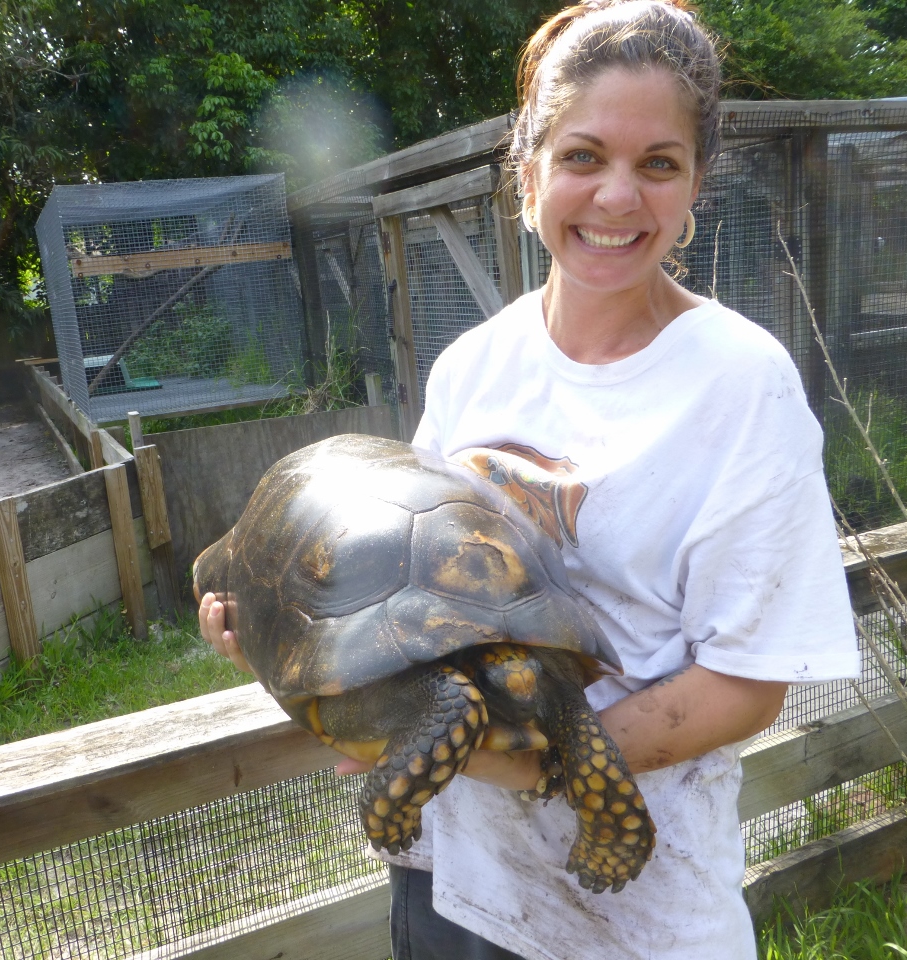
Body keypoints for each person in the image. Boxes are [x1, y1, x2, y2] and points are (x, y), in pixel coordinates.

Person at [201, 1, 859, 957]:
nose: (617, 197)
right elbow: (391, 568)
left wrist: (523, 764)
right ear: (530, 168)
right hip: (454, 879)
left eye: (658, 164)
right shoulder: (474, 363)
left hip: (637, 912)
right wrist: (288, 638)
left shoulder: (741, 385)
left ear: (695, 184)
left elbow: (746, 688)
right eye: (584, 155)